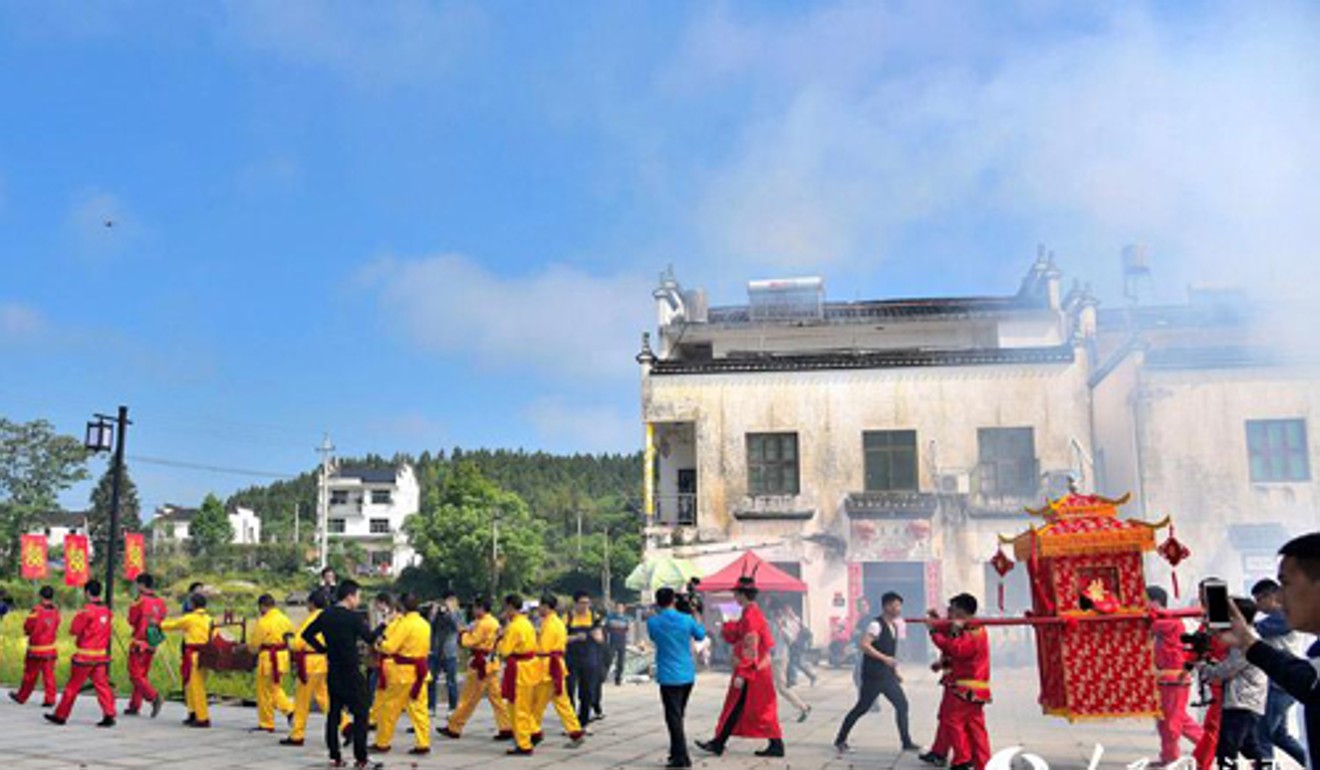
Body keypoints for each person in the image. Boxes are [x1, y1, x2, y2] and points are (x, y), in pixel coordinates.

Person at [1219, 533, 1320, 766]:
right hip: (1277, 685)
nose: (1280, 599)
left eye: (1286, 584)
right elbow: (1307, 681)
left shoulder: (1276, 622)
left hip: (1274, 690)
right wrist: (1247, 641)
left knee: (1266, 734)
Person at [696, 573, 784, 758]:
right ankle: (721, 742)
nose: (734, 596)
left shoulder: (751, 616)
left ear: (743, 594)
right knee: (753, 707)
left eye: (736, 593)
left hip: (753, 671)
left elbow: (751, 647)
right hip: (756, 670)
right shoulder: (750, 612)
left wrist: (743, 672)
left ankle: (719, 743)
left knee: (747, 707)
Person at [302, 579, 385, 770]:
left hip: (334, 669)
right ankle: (361, 758)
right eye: (358, 596)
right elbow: (370, 638)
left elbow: (307, 634)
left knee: (334, 713)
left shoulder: (326, 615)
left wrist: (322, 649)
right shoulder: (353, 618)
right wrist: (383, 625)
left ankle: (335, 756)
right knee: (361, 713)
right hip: (351, 671)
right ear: (350, 596)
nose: (358, 600)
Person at [836, 591, 918, 753]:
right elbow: (864, 645)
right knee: (862, 707)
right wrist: (884, 659)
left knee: (902, 705)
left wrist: (895, 671)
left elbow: (890, 653)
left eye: (900, 605)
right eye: (895, 605)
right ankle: (840, 739)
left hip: (887, 676)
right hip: (873, 676)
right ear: (887, 606)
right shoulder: (876, 625)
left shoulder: (894, 626)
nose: (899, 609)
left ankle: (906, 742)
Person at [927, 593, 991, 770]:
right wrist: (937, 624)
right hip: (971, 685)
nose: (950, 613)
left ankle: (962, 759)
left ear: (962, 611)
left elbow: (956, 649)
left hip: (965, 686)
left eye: (953, 609)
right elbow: (951, 639)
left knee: (952, 720)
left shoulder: (973, 631)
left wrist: (933, 631)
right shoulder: (969, 627)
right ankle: (982, 763)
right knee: (975, 726)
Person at [1202, 597, 1268, 768]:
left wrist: (1202, 667)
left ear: (1238, 618)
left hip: (1242, 703)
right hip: (1245, 701)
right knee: (1250, 748)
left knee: (1227, 751)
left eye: (1229, 616)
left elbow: (1226, 671)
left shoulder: (1247, 641)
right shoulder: (1246, 638)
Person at [648, 586, 707, 769]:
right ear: (673, 600)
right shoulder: (687, 619)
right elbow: (700, 636)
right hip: (686, 674)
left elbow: (654, 638)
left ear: (658, 602)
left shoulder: (653, 622)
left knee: (673, 717)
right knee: (678, 714)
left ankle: (681, 757)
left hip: (668, 675)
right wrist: (696, 615)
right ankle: (675, 752)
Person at [1251, 578, 1308, 767]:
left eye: (1259, 600)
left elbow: (1257, 631)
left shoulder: (1283, 616)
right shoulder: (1279, 616)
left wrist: (1242, 615)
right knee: (1279, 735)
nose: (1257, 606)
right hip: (1282, 683)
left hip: (1281, 685)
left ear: (1271, 596)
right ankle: (1310, 763)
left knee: (1262, 734)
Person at [438, 595, 513, 740]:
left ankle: (454, 726)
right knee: (496, 698)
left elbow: (470, 641)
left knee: (468, 698)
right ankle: (506, 726)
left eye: (475, 607)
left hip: (481, 665)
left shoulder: (483, 624)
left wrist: (463, 633)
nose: (473, 610)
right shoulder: (493, 621)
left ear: (481, 608)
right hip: (491, 663)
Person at [45, 579, 116, 727]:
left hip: (85, 656)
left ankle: (60, 716)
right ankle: (109, 714)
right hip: (100, 656)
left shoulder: (86, 611)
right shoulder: (107, 611)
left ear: (87, 592)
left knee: (72, 687)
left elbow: (74, 630)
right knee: (102, 686)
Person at [1147, 586, 1204, 766]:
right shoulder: (1165, 620)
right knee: (1171, 721)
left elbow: (1146, 625)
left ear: (1155, 602)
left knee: (1173, 723)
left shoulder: (1170, 621)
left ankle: (1208, 748)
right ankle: (1169, 756)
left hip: (1174, 679)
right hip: (1166, 679)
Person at [372, 592, 432, 756]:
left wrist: (379, 644)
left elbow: (390, 647)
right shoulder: (425, 624)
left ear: (402, 607)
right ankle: (423, 743)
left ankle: (382, 743)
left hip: (403, 673)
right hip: (420, 671)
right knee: (420, 711)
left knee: (389, 709)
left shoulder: (404, 624)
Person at [283, 590, 343, 747]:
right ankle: (345, 724)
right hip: (323, 661)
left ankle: (297, 734)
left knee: (302, 701)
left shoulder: (311, 619)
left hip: (309, 662)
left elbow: (298, 643)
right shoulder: (330, 618)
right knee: (325, 697)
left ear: (311, 604)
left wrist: (289, 642)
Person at [532, 594, 586, 747]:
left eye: (540, 606)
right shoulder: (555, 622)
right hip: (555, 667)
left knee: (536, 704)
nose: (538, 609)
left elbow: (543, 648)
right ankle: (575, 732)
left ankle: (532, 733)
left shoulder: (550, 624)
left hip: (547, 668)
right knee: (562, 702)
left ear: (546, 606)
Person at [162, 590, 215, 727]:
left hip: (193, 655)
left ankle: (202, 718)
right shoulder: (209, 619)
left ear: (193, 604)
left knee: (196, 688)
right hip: (206, 655)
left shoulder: (189, 618)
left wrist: (158, 624)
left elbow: (173, 625)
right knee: (191, 686)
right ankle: (193, 713)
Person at [497, 593, 540, 756]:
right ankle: (533, 731)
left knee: (517, 708)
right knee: (524, 706)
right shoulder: (527, 623)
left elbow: (505, 651)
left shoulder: (514, 626)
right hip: (529, 666)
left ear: (510, 607)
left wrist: (499, 639)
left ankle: (524, 744)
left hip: (519, 669)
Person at [248, 593, 295, 732]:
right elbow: (290, 637)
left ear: (262, 606)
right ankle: (288, 711)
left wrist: (250, 650)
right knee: (275, 687)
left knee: (264, 692)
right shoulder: (284, 619)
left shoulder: (263, 622)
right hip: (282, 657)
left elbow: (255, 645)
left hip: (268, 659)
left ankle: (270, 720)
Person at [124, 573, 168, 718]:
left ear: (141, 585)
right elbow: (162, 618)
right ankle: (134, 706)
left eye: (137, 584)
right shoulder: (160, 602)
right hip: (152, 642)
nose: (136, 587)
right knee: (142, 675)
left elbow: (131, 620)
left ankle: (154, 697)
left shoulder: (139, 601)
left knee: (135, 675)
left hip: (139, 642)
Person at [9, 585, 60, 708]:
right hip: (50, 649)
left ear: (41, 596)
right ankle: (50, 699)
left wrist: (28, 632)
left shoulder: (36, 611)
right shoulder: (56, 611)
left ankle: (22, 697)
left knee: (30, 675)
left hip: (36, 649)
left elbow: (28, 626)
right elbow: (57, 624)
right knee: (49, 675)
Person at [565, 591, 602, 728]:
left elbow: (600, 638)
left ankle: (584, 720)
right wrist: (575, 637)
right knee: (569, 689)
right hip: (571, 658)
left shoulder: (594, 617)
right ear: (575, 603)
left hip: (589, 658)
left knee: (587, 690)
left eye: (587, 603)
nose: (585, 606)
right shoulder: (568, 617)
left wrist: (596, 636)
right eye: (582, 603)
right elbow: (561, 638)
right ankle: (571, 720)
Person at [768, 601, 811, 723]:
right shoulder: (769, 623)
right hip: (769, 658)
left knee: (782, 687)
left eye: (776, 612)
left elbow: (791, 639)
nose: (775, 614)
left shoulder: (786, 623)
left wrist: (782, 628)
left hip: (780, 658)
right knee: (764, 686)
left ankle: (803, 707)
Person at [366, 592, 398, 730]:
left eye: (377, 604)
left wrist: (379, 643)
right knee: (377, 688)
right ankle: (374, 718)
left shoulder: (393, 618)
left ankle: (376, 718)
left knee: (379, 688)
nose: (376, 607)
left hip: (390, 659)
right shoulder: (384, 616)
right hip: (382, 657)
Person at [428, 591, 461, 714]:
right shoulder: (438, 612)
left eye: (452, 600)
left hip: (450, 652)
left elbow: (458, 627)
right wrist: (433, 613)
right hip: (436, 651)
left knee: (451, 681)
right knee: (431, 679)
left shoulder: (457, 613)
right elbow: (430, 626)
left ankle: (453, 707)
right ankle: (431, 706)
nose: (448, 603)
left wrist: (451, 611)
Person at [781, 604, 817, 688]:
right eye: (786, 611)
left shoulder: (795, 619)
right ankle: (809, 676)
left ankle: (793, 679)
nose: (788, 612)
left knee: (794, 662)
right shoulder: (786, 620)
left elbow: (795, 631)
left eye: (789, 610)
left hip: (798, 643)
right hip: (792, 643)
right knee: (796, 662)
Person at [604, 601, 631, 687]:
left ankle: (618, 679)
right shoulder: (610, 617)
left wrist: (628, 641)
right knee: (608, 659)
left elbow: (628, 630)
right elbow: (605, 629)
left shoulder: (627, 619)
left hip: (622, 641)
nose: (619, 609)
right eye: (618, 607)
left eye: (621, 607)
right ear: (615, 609)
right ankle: (603, 677)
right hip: (612, 641)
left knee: (621, 662)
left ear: (624, 609)